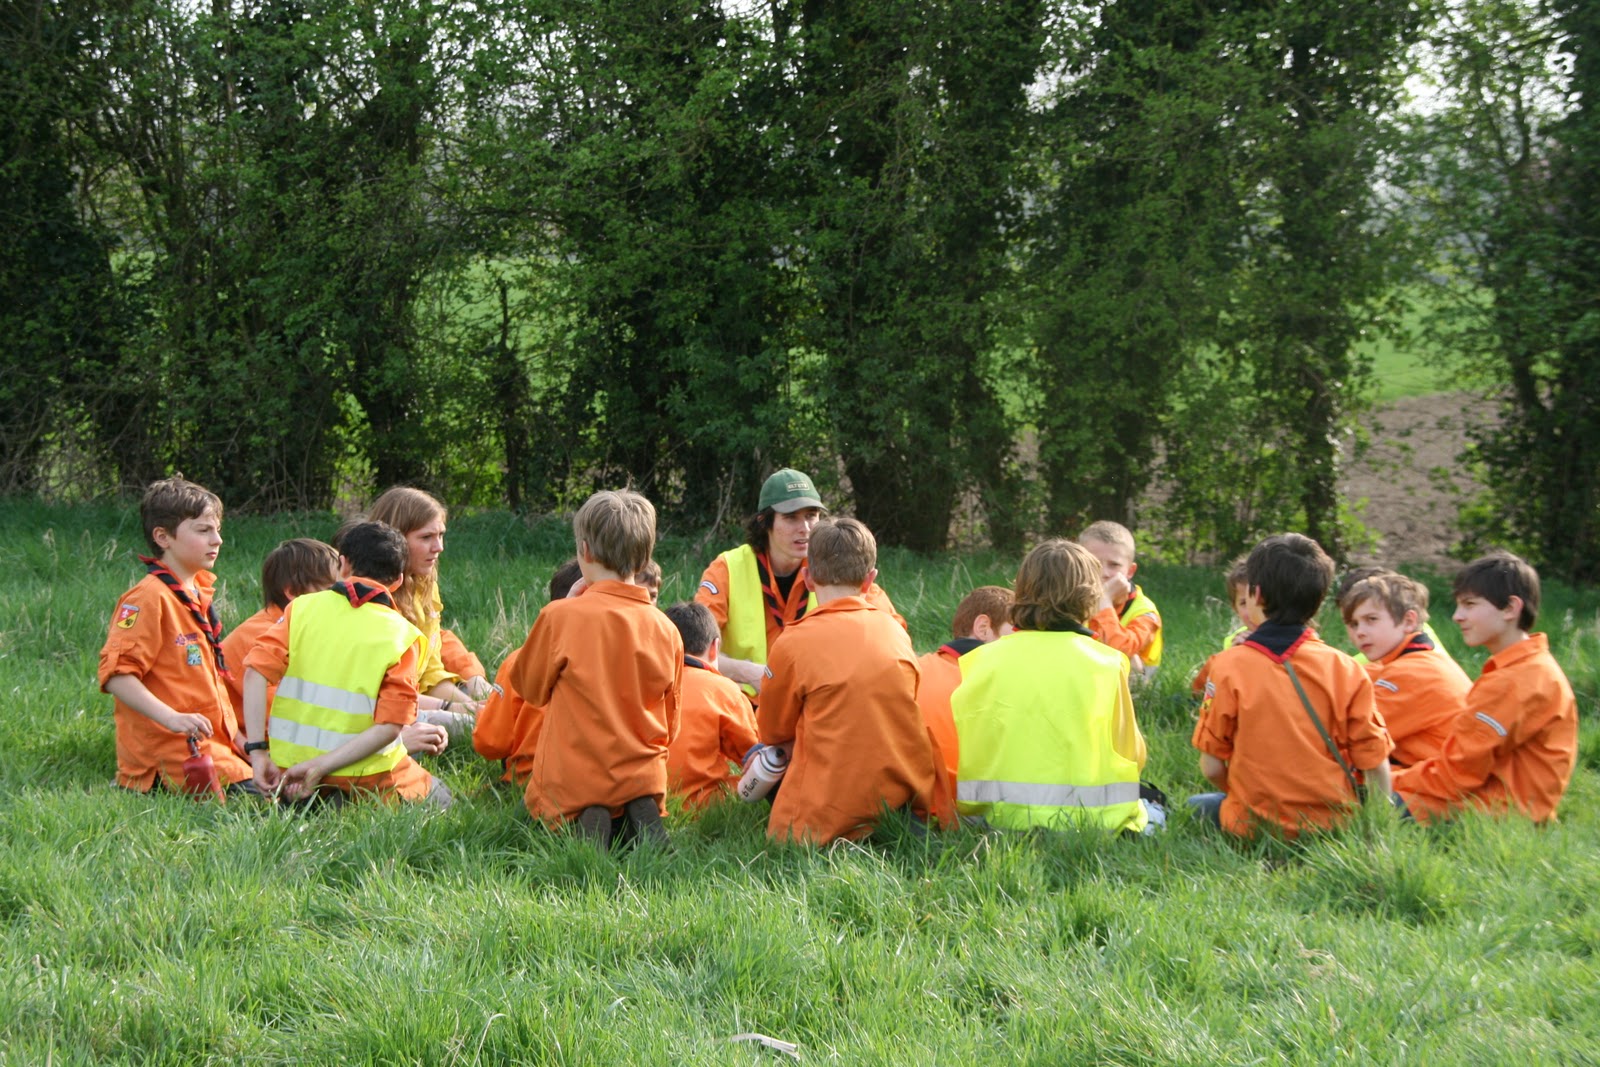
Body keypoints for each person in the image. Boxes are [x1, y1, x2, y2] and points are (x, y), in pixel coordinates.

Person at [1189, 533, 1394, 839]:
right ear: (1318, 601)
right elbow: (1375, 763)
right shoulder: (1347, 668)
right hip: (1333, 828)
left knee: (1197, 806)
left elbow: (1212, 768)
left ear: (1256, 594)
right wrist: (1375, 834)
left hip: (1252, 827)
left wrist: (1248, 799)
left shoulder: (1227, 666)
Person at [757, 518, 946, 844]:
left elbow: (772, 731)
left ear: (808, 578)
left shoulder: (792, 642)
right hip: (902, 796)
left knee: (766, 754)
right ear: (870, 580)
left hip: (820, 819)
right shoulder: (896, 632)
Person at [511, 491, 682, 847]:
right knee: (637, 771)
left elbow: (528, 688)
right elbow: (672, 722)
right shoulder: (666, 629)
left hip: (575, 777)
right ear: (645, 557)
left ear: (585, 551)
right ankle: (635, 804)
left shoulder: (561, 616)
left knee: (563, 792)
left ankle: (588, 814)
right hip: (643, 771)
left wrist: (567, 605)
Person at [241, 521, 449, 808]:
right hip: (369, 780)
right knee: (444, 799)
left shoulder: (300, 609)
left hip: (290, 771)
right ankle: (340, 802)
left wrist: (257, 753)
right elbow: (391, 727)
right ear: (399, 580)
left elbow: (254, 673)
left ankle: (321, 803)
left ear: (343, 565)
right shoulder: (403, 635)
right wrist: (321, 766)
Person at [952, 541, 1149, 834]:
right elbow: (1133, 753)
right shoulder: (1108, 664)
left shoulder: (980, 660)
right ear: (1091, 598)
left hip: (995, 820)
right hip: (1093, 824)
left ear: (1021, 591)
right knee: (1156, 811)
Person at [1393, 551, 1579, 823]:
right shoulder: (1532, 666)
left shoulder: (1514, 681)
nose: (1457, 616)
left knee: (1352, 800)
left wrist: (1387, 780)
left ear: (1510, 608)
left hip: (1490, 813)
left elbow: (1455, 775)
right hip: (1511, 808)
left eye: (1469, 604)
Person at [99, 477, 254, 795]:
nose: (217, 539)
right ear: (163, 537)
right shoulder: (147, 599)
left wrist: (240, 741)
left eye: (217, 529)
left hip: (215, 746)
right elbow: (117, 676)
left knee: (288, 781)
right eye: (203, 530)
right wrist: (171, 718)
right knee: (281, 801)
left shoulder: (196, 592)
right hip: (174, 758)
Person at [696, 468, 904, 696]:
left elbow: (895, 635)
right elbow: (695, 649)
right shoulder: (727, 568)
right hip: (743, 703)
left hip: (817, 703)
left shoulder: (836, 563)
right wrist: (747, 672)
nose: (804, 528)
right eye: (791, 517)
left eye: (811, 516)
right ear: (764, 522)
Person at [365, 487, 491, 713]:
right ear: (395, 540)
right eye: (426, 537)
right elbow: (380, 691)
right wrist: (459, 709)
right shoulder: (369, 597)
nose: (439, 547)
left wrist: (474, 705)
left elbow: (430, 670)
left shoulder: (424, 583)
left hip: (417, 698)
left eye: (441, 535)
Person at [1338, 571, 1470, 767]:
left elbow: (1350, 735)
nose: (1360, 632)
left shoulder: (1412, 673)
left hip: (1446, 780)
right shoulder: (1409, 660)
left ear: (1409, 621)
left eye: (1371, 619)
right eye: (1353, 624)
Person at [472, 559, 582, 785]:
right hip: (601, 784)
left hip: (529, 780)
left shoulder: (518, 662)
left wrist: (484, 715)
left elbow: (490, 743)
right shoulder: (618, 665)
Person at [220, 538, 339, 721]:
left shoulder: (298, 627)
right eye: (331, 589)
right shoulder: (261, 638)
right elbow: (284, 715)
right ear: (293, 592)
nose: (341, 597)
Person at [662, 601, 761, 810]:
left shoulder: (644, 684)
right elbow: (753, 757)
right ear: (715, 647)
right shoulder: (723, 690)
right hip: (699, 806)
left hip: (644, 804)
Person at [916, 585, 1014, 788]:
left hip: (916, 798)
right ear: (983, 628)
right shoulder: (999, 681)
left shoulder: (915, 670)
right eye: (1014, 633)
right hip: (970, 801)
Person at [1079, 520, 1163, 678]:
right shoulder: (1069, 597)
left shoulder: (1145, 611)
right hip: (1083, 672)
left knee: (1131, 660)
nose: (1103, 573)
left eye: (1114, 565)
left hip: (1129, 682)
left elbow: (1119, 651)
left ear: (1130, 571)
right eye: (1093, 563)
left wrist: (1104, 602)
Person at [1191, 555, 1254, 695]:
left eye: (1259, 601)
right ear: (1235, 608)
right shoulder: (1235, 641)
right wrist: (1232, 655)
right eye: (1244, 603)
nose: (1252, 609)